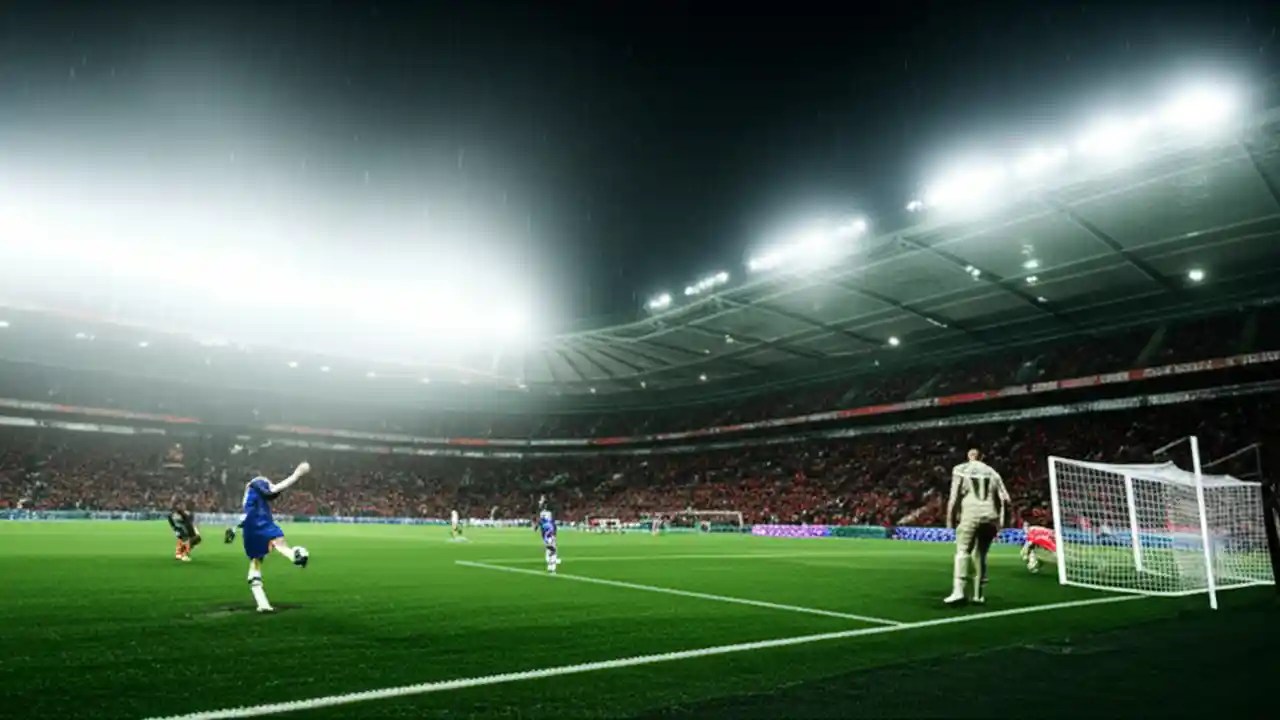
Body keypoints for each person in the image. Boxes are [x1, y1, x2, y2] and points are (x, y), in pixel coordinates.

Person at [224, 461, 311, 613]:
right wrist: (297, 474)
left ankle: (262, 602)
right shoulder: (257, 482)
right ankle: (295, 557)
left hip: (249, 527)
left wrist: (234, 528)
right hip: (261, 522)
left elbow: (247, 513)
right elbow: (272, 492)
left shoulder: (248, 495)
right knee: (279, 543)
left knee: (256, 561)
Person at [945, 448, 1010, 605]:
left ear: (969, 456)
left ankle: (959, 591)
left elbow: (954, 498)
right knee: (981, 554)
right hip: (990, 515)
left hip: (971, 512)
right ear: (983, 456)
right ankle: (978, 595)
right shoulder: (993, 472)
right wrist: (1003, 523)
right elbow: (1006, 500)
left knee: (962, 550)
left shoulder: (960, 469)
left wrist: (950, 520)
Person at [537, 509, 560, 573]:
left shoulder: (542, 523)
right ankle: (553, 567)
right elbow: (554, 530)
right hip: (550, 538)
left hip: (546, 539)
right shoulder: (549, 523)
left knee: (549, 551)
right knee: (553, 551)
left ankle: (550, 566)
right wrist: (554, 537)